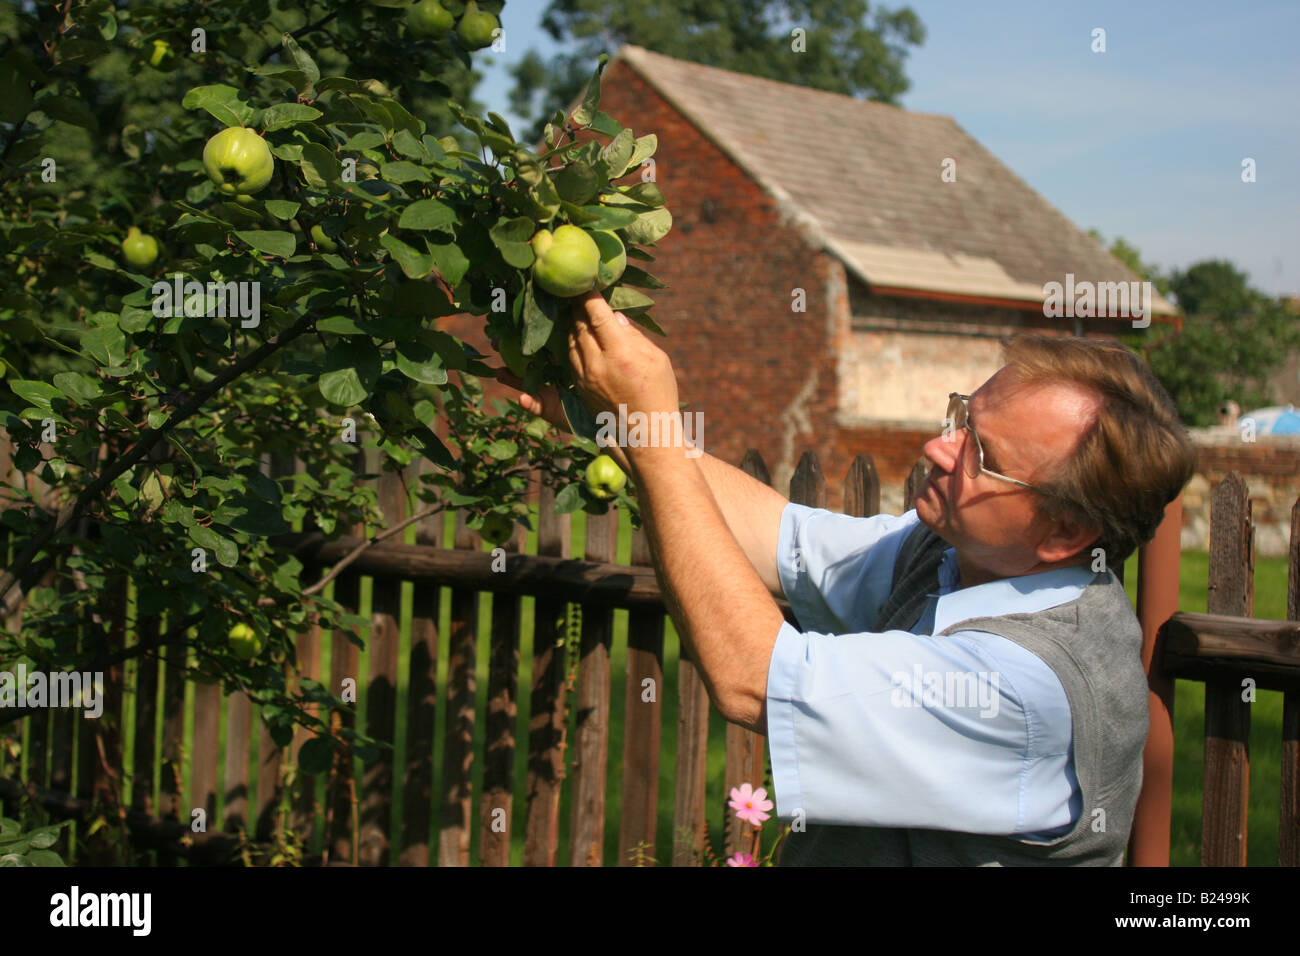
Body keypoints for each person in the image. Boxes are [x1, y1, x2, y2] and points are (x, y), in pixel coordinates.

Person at [498, 291, 1196, 866]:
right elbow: (785, 538)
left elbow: (752, 677)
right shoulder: (955, 555)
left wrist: (654, 428)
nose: (937, 447)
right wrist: (612, 422)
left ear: (1065, 533)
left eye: (981, 453)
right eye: (962, 416)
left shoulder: (1023, 690)